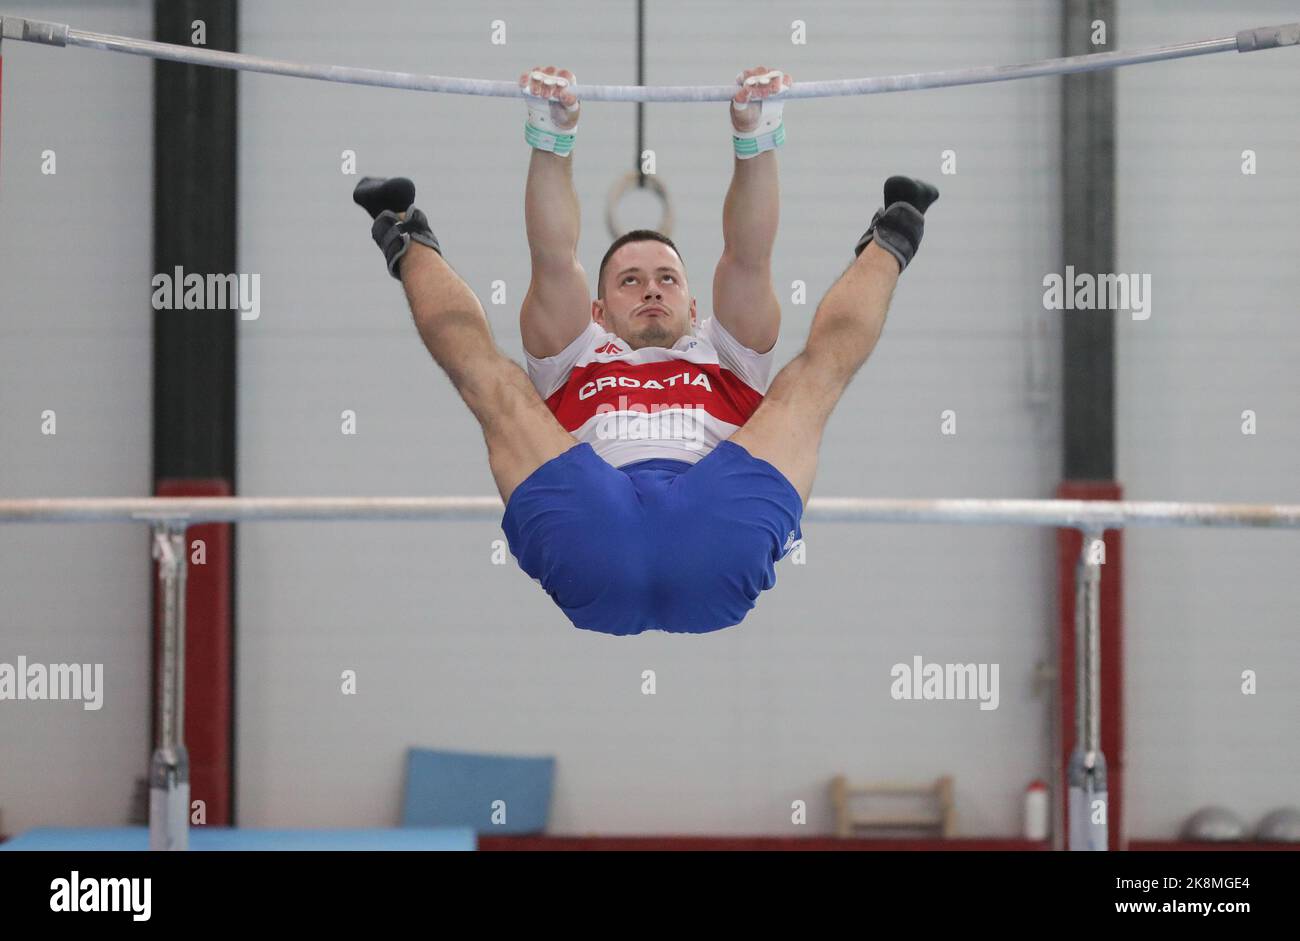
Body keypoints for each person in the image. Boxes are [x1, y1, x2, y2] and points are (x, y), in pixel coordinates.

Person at [352, 65, 938, 636]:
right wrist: (553, 138)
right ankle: (402, 231)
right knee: (493, 381)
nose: (652, 287)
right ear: (598, 313)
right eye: (629, 280)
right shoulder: (573, 351)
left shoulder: (727, 349)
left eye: (667, 278)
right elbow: (554, 258)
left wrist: (754, 138)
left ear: (694, 308)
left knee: (811, 379)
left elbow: (747, 255)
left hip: (713, 531)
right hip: (593, 529)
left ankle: (894, 235)